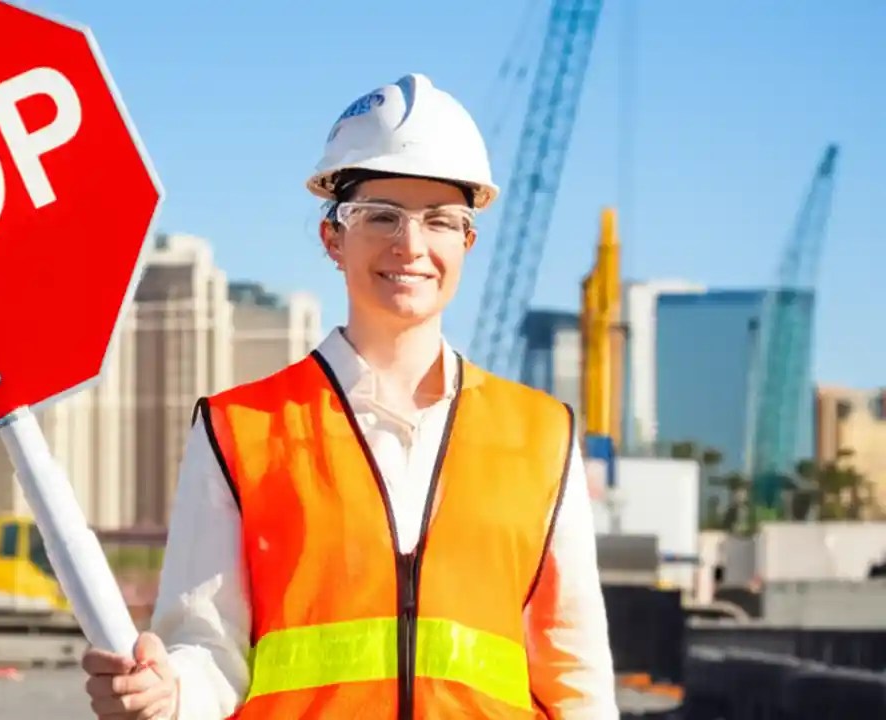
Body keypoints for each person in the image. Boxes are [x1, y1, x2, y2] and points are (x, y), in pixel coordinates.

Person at [81, 72, 618, 720]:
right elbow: (208, 648)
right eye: (380, 216)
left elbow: (577, 679)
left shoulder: (544, 436)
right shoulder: (239, 430)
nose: (411, 245)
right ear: (332, 237)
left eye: (441, 221)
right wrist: (168, 695)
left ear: (468, 242)